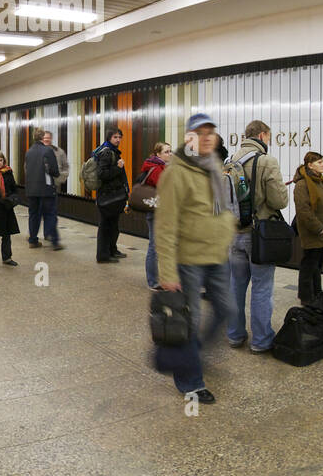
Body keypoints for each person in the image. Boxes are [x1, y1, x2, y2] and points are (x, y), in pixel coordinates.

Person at [152, 113, 240, 405]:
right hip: (188, 258)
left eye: (210, 133)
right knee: (190, 320)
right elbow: (164, 226)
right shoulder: (176, 173)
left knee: (227, 309)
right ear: (188, 137)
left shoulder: (212, 165)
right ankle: (191, 382)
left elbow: (219, 209)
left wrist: (228, 230)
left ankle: (189, 353)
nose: (206, 138)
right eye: (199, 133)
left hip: (216, 254)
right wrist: (167, 273)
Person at [225, 120, 290, 354]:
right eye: (269, 137)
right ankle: (261, 341)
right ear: (262, 135)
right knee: (262, 288)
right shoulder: (266, 161)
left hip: (233, 233)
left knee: (235, 286)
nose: (269, 141)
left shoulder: (230, 161)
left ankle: (234, 335)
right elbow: (279, 201)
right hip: (258, 235)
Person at [291, 152, 323, 310]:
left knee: (318, 262)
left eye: (322, 161)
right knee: (309, 263)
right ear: (310, 165)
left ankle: (317, 292)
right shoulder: (302, 184)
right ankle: (306, 296)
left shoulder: (320, 181)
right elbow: (303, 211)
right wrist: (319, 228)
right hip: (313, 230)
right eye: (319, 162)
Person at [84, 130, 131, 262]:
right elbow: (102, 174)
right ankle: (103, 256)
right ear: (109, 138)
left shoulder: (112, 151)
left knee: (113, 225)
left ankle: (112, 250)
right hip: (107, 195)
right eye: (115, 137)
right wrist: (118, 167)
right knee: (106, 226)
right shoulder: (106, 153)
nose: (118, 140)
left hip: (111, 194)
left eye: (119, 137)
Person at [23, 128, 65, 250]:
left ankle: (33, 240)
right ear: (42, 137)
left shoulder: (29, 152)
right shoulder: (48, 150)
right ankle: (55, 242)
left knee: (33, 215)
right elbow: (54, 171)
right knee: (50, 214)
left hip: (31, 189)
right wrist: (56, 175)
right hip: (46, 188)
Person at [134, 143, 169, 286]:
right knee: (154, 246)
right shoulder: (156, 169)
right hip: (156, 212)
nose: (170, 154)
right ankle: (153, 281)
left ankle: (159, 277)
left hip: (159, 211)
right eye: (167, 152)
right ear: (158, 154)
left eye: (170, 151)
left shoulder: (161, 167)